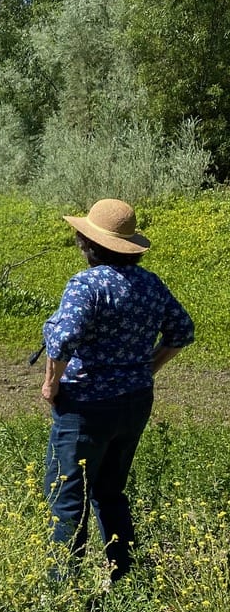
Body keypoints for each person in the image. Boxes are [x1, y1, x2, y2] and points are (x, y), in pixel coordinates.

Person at [41, 198, 194, 584]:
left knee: (67, 495)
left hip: (85, 405)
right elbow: (182, 331)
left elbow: (63, 340)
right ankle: (122, 575)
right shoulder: (149, 283)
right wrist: (147, 369)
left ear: (89, 243)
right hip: (135, 400)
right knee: (110, 491)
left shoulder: (86, 284)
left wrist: (50, 382)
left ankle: (62, 589)